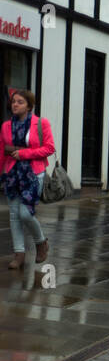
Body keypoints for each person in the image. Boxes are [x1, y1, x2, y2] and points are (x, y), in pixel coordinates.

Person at [2, 89, 55, 270]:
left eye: (20, 102)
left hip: (33, 173)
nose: (15, 104)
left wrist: (24, 153)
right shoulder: (6, 126)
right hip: (12, 174)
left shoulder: (41, 124)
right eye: (13, 101)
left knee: (25, 213)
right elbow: (2, 151)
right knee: (14, 215)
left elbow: (49, 148)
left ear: (29, 106)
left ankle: (41, 242)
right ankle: (19, 254)